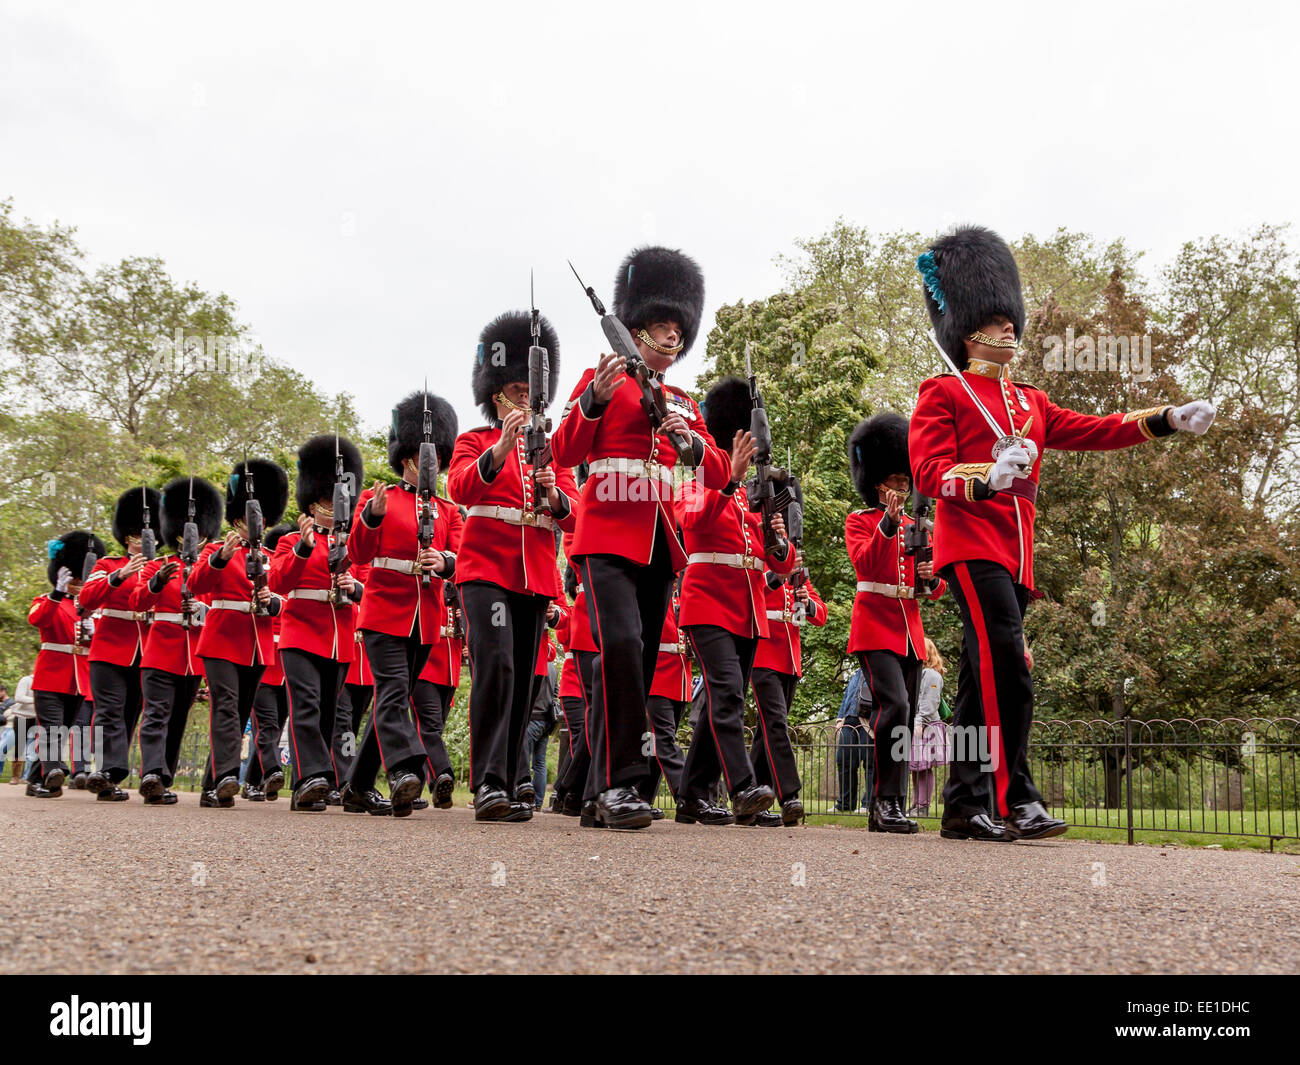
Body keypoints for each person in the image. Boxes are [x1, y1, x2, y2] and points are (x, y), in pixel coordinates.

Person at [910, 224, 1217, 841]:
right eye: (996, 321)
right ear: (967, 324)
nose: (1009, 330)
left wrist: (1164, 419)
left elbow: (1099, 429)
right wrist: (985, 477)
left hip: (1016, 559)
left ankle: (964, 807)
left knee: (980, 686)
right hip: (971, 548)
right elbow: (927, 472)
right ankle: (1013, 797)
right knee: (1011, 672)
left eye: (1009, 320)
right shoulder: (943, 392)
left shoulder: (1032, 402)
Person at [551, 245, 731, 830]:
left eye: (680, 329)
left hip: (660, 543)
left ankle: (600, 793)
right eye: (662, 325)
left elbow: (720, 475)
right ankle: (622, 783)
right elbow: (563, 451)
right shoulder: (600, 380)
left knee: (638, 661)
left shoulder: (680, 400)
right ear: (636, 325)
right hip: (605, 536)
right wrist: (594, 401)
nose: (672, 336)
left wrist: (696, 444)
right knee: (621, 650)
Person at [448, 312, 575, 823]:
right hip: (486, 571)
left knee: (524, 678)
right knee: (496, 668)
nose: (525, 399)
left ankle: (513, 776)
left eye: (531, 390)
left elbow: (575, 513)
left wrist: (551, 489)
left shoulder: (553, 449)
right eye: (516, 389)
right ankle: (488, 783)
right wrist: (502, 446)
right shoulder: (475, 441)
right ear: (496, 395)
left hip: (536, 575)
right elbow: (459, 489)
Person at [675, 376, 796, 825]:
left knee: (722, 703)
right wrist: (729, 481)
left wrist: (781, 542)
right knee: (726, 693)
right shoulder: (696, 483)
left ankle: (691, 796)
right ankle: (743, 787)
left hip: (747, 612)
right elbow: (693, 520)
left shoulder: (752, 501)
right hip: (706, 603)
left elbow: (778, 567)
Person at [344, 389, 459, 818]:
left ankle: (357, 787)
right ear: (406, 458)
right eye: (419, 457)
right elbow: (357, 553)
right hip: (383, 610)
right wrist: (370, 517)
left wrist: (444, 560)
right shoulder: (381, 499)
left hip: (425, 618)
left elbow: (462, 557)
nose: (429, 464)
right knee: (392, 692)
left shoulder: (448, 511)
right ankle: (405, 771)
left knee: (392, 698)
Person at [846, 412, 947, 834]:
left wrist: (933, 578)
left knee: (904, 721)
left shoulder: (921, 526)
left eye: (907, 482)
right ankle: (884, 800)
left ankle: (891, 804)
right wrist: (887, 524)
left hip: (910, 631)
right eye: (896, 481)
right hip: (874, 626)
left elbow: (938, 585)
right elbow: (865, 564)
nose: (903, 489)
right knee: (896, 707)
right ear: (876, 484)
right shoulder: (861, 521)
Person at [270, 435, 365, 811]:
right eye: (328, 502)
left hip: (338, 637)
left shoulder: (352, 544)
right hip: (299, 634)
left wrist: (353, 586)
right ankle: (313, 776)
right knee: (305, 708)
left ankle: (308, 786)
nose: (335, 509)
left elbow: (366, 586)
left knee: (326, 713)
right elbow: (279, 582)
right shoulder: (291, 541)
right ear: (312, 505)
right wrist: (303, 549)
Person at [190, 459, 287, 808]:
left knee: (241, 712)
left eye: (260, 519)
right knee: (227, 709)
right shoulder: (217, 551)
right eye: (249, 520)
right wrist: (220, 559)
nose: (255, 525)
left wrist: (271, 601)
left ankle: (211, 785)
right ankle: (228, 776)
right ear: (236, 521)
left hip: (256, 643)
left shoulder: (272, 557)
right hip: (221, 637)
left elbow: (284, 601)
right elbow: (195, 583)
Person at [132, 476, 223, 806]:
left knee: (177, 719)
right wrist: (156, 584)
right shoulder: (159, 566)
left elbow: (221, 608)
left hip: (193, 657)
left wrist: (203, 609)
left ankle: (163, 777)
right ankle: (151, 774)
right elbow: (138, 602)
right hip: (160, 651)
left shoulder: (210, 569)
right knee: (156, 714)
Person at [79, 486, 162, 802]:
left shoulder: (160, 567)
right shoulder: (108, 565)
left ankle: (113, 774)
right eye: (139, 537)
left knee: (130, 715)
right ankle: (106, 771)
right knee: (109, 712)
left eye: (150, 537)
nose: (144, 542)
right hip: (111, 647)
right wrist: (119, 576)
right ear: (127, 539)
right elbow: (86, 599)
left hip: (147, 650)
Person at [747, 550, 828, 827]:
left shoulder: (798, 578)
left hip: (789, 658)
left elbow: (820, 615)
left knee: (765, 732)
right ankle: (789, 796)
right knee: (776, 724)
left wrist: (807, 603)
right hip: (763, 652)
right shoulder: (762, 566)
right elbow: (752, 592)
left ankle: (751, 804)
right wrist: (777, 575)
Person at [25, 531, 104, 798]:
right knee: (51, 728)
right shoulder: (46, 601)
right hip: (50, 675)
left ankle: (36, 779)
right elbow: (38, 620)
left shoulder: (90, 610)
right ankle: (53, 772)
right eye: (74, 580)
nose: (78, 584)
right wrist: (56, 594)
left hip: (78, 680)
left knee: (61, 730)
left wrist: (94, 626)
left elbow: (96, 644)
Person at [243, 521, 293, 801]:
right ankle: (87, 766)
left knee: (274, 725)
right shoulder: (263, 569)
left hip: (284, 659)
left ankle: (252, 781)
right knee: (267, 724)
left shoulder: (286, 572)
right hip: (263, 655)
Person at [908, 637, 949, 817]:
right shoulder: (921, 673)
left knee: (924, 768)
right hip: (920, 724)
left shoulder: (932, 675)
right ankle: (916, 804)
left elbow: (930, 702)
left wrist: (919, 722)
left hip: (927, 726)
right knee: (917, 767)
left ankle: (923, 806)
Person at [833, 668, 873, 813]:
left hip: (867, 721)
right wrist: (840, 718)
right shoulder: (856, 672)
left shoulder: (877, 669)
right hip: (848, 721)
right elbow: (846, 697)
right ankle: (844, 805)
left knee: (870, 763)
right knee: (844, 761)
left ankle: (868, 804)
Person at [8, 676, 36, 784]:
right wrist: (37, 700)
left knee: (35, 748)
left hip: (36, 717)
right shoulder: (26, 680)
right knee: (19, 747)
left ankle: (29, 776)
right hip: (22, 717)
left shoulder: (46, 682)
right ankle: (15, 776)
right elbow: (19, 697)